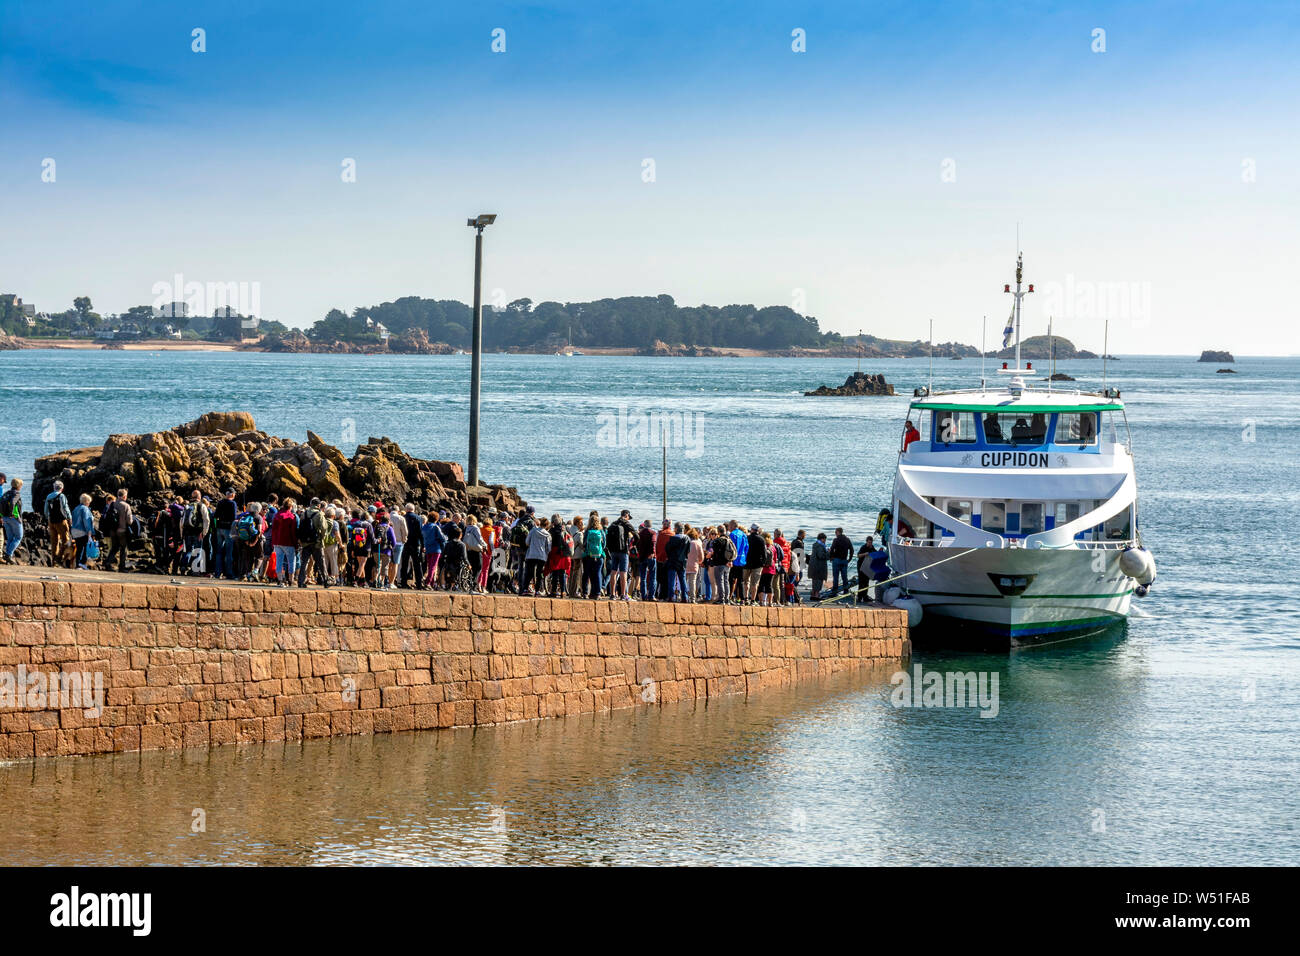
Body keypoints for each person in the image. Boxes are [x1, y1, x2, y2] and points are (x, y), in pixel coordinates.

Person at [43, 480, 73, 568]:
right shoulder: (61, 496)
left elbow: (45, 510)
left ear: (54, 488)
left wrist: (48, 517)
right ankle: (59, 557)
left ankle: (54, 562)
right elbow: (65, 508)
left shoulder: (49, 496)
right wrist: (69, 518)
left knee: (54, 541)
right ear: (62, 488)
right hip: (60, 521)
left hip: (51, 520)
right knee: (65, 539)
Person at [103, 488, 133, 573]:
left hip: (112, 530)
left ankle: (108, 563)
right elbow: (129, 521)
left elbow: (107, 517)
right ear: (124, 496)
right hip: (122, 531)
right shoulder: (126, 506)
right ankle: (122, 567)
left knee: (114, 547)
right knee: (123, 548)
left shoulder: (112, 504)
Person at [270, 499, 299, 587]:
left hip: (277, 542)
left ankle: (280, 579)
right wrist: (295, 543)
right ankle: (291, 580)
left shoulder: (277, 515)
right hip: (288, 542)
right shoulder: (291, 517)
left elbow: (273, 530)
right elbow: (293, 532)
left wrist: (273, 542)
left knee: (279, 561)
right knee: (291, 561)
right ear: (291, 507)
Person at [607, 509, 634, 600]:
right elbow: (637, 536)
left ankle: (612, 595)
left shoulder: (613, 524)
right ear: (626, 516)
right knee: (623, 572)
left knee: (613, 572)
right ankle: (623, 595)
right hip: (623, 551)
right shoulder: (626, 524)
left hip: (613, 551)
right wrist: (631, 546)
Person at [212, 488, 238, 579]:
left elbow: (215, 516)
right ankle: (229, 573)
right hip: (228, 529)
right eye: (234, 494)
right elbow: (234, 517)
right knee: (228, 552)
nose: (234, 495)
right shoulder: (233, 504)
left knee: (218, 551)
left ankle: (217, 573)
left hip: (219, 528)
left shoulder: (220, 502)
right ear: (231, 494)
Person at [545, 513, 572, 596]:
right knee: (562, 573)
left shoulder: (552, 531)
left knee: (555, 572)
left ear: (553, 521)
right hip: (564, 554)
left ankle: (553, 591)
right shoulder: (564, 530)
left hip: (555, 553)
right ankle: (563, 591)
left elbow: (549, 542)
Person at [523, 517, 551, 595]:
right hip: (542, 556)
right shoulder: (547, 535)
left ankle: (525, 589)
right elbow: (548, 548)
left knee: (529, 573)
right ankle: (537, 590)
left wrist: (531, 546)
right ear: (547, 525)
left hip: (531, 555)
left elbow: (527, 542)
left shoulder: (533, 531)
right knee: (539, 574)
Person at [664, 522, 690, 602]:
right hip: (683, 562)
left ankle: (671, 597)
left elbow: (667, 549)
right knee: (682, 580)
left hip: (673, 561)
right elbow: (688, 551)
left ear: (676, 529)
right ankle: (684, 597)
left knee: (671, 580)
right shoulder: (687, 538)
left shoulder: (673, 538)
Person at [0, 478, 23, 564]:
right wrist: (10, 514)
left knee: (10, 538)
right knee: (18, 537)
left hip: (5, 518)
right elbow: (13, 503)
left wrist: (2, 515)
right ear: (18, 486)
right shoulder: (16, 494)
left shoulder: (7, 493)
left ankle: (8, 557)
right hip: (13, 518)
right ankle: (8, 554)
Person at [582, 513, 605, 600]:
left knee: (586, 574)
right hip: (599, 556)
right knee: (598, 574)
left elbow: (584, 543)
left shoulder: (587, 531)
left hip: (588, 555)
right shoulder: (601, 531)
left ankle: (585, 593)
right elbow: (604, 544)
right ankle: (597, 593)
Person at [70, 493, 96, 569]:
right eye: (89, 502)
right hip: (82, 530)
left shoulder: (76, 508)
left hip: (74, 530)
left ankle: (78, 564)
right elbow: (86, 521)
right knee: (85, 547)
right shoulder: (85, 509)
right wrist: (90, 532)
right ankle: (81, 563)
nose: (89, 503)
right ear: (86, 501)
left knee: (79, 548)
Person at [441, 524, 468, 590]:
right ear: (461, 535)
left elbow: (444, 553)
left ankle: (448, 584)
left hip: (448, 562)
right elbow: (464, 557)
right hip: (457, 563)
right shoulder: (462, 545)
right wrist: (468, 565)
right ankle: (456, 585)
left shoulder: (448, 543)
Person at [422, 512, 445, 588]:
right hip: (436, 548)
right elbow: (442, 538)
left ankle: (431, 583)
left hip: (428, 548)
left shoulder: (424, 527)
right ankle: (428, 582)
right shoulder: (435, 527)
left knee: (430, 566)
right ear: (436, 519)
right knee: (433, 567)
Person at [744, 524, 766, 604]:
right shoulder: (761, 539)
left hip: (747, 563)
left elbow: (744, 550)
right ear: (758, 530)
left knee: (746, 581)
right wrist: (763, 563)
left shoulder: (747, 538)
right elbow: (764, 553)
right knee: (755, 583)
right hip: (757, 564)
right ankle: (752, 600)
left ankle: (746, 598)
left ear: (752, 529)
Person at [829, 527, 853, 597]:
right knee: (844, 577)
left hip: (836, 560)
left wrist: (831, 557)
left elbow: (832, 549)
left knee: (836, 577)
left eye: (836, 532)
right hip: (844, 560)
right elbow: (852, 550)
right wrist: (849, 559)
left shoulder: (836, 540)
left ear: (838, 532)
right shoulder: (847, 540)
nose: (835, 534)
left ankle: (834, 592)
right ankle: (846, 591)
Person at [809, 532, 829, 601]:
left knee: (814, 581)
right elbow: (821, 556)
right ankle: (817, 595)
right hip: (819, 566)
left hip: (813, 566)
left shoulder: (815, 545)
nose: (825, 541)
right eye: (825, 540)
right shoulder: (820, 546)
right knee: (819, 581)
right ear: (822, 539)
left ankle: (813, 594)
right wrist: (828, 553)